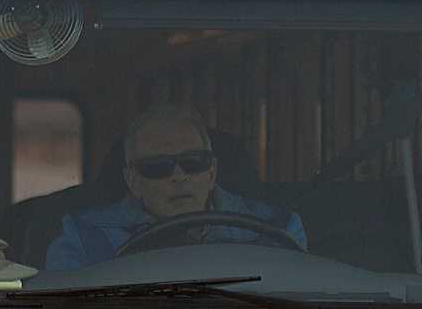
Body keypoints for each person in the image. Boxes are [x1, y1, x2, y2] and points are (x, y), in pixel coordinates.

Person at [45, 104, 306, 270]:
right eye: (158, 167)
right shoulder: (84, 238)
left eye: (194, 163)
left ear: (212, 172)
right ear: (132, 181)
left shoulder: (279, 229)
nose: (180, 176)